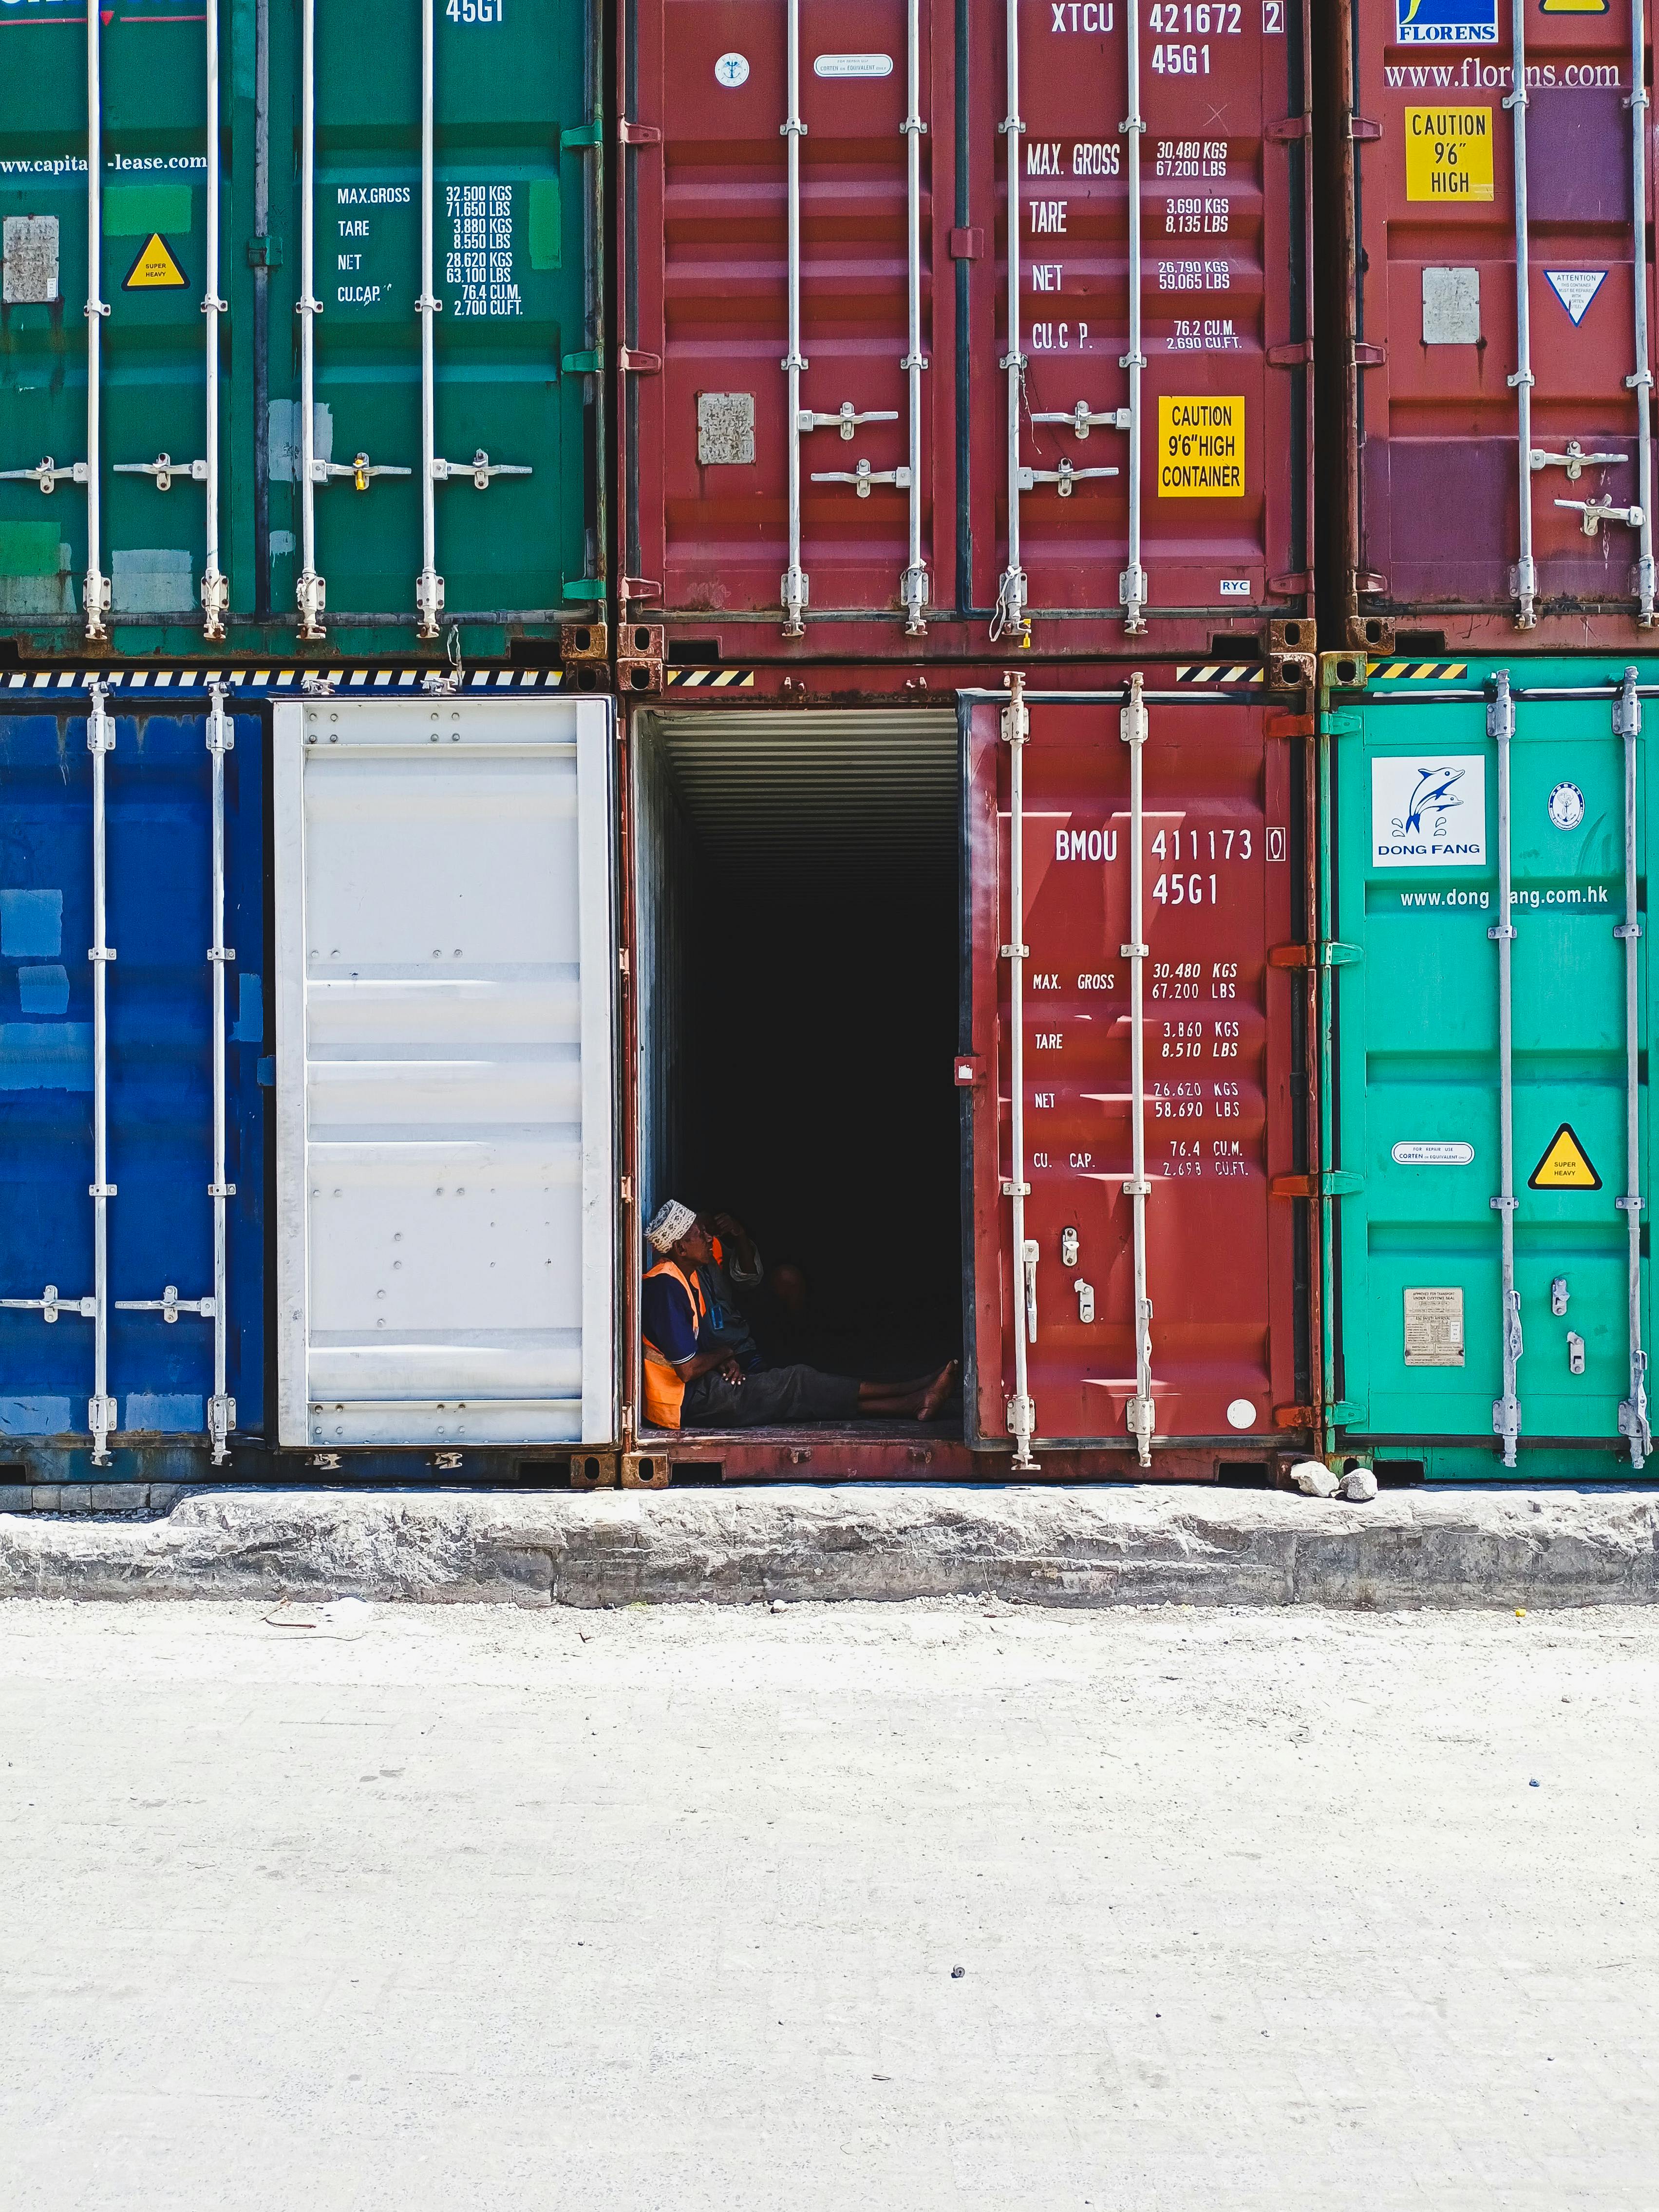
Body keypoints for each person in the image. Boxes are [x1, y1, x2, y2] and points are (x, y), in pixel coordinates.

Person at [641, 1198, 956, 1432]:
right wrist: (726, 1352)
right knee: (797, 1384)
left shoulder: (688, 1276)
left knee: (798, 1391)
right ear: (681, 1249)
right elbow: (687, 1370)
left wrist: (726, 1359)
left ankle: (914, 1395)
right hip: (687, 1403)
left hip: (702, 1389)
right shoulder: (665, 1287)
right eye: (699, 1234)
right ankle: (911, 1396)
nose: (710, 1238)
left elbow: (700, 1344)